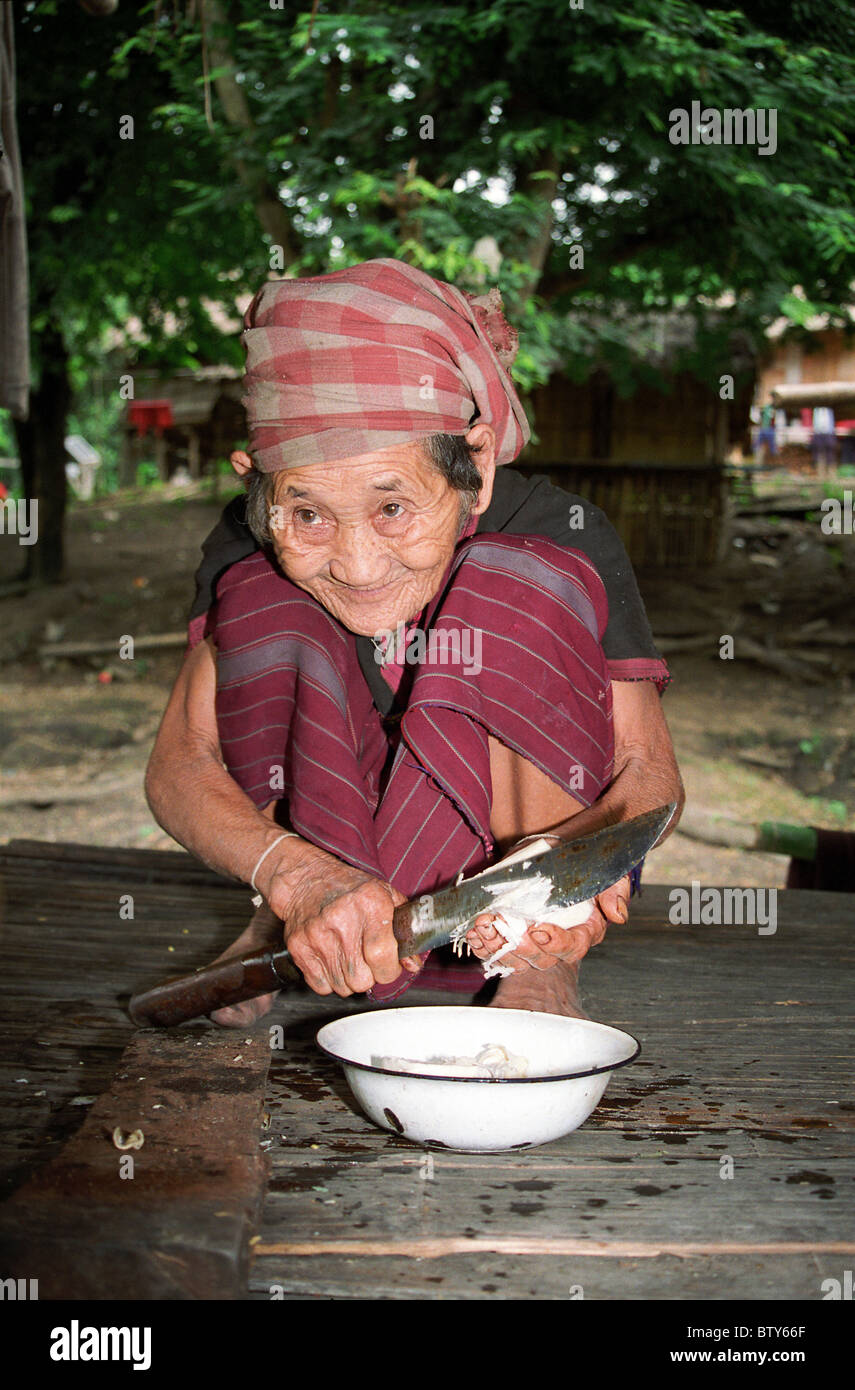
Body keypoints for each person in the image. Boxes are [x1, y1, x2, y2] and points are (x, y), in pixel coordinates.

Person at [145, 259, 683, 1025]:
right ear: (254, 484)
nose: (357, 564)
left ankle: (537, 959)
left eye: (392, 507)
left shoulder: (557, 534)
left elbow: (647, 772)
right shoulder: (247, 542)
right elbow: (178, 766)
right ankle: (272, 921)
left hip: (500, 859)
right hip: (328, 851)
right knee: (264, 597)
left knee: (516, 582)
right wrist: (296, 879)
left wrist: (569, 870)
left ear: (477, 464)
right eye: (307, 516)